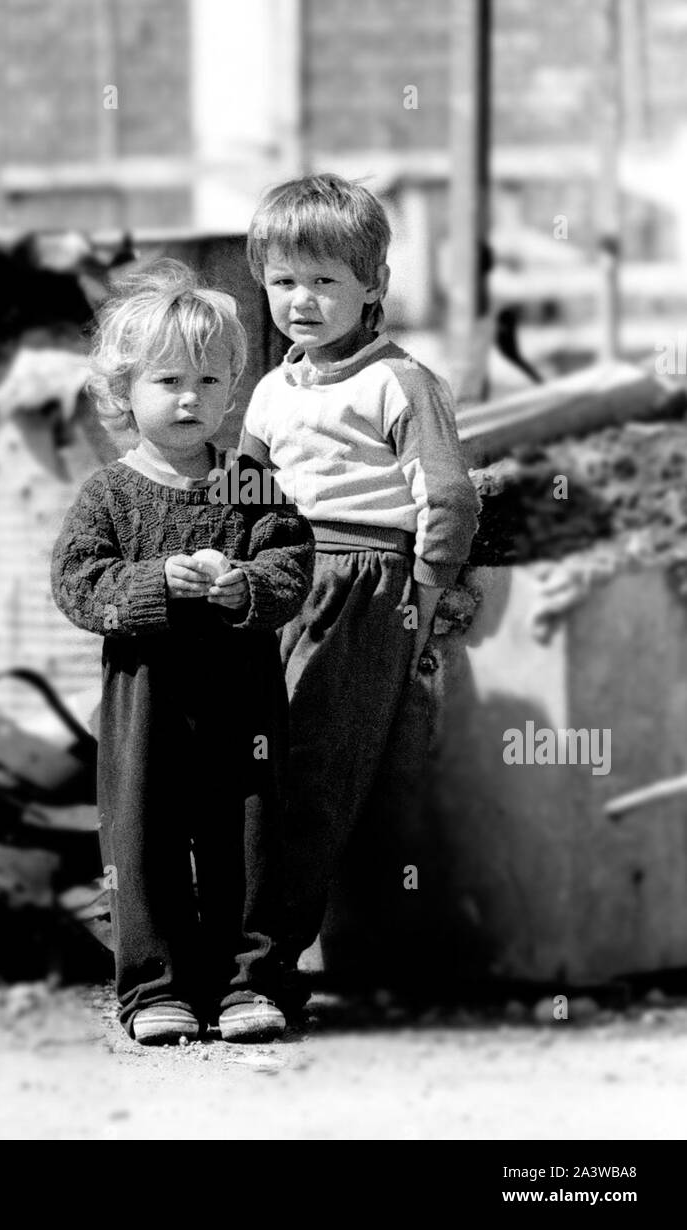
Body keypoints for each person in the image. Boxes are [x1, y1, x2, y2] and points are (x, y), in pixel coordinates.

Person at [50, 261, 314, 1045]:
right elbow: (76, 583)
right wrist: (153, 585)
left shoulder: (249, 485)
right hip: (147, 699)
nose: (191, 397)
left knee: (250, 836)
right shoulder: (108, 494)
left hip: (245, 698)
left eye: (209, 378)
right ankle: (156, 987)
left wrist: (247, 589)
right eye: (168, 379)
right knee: (143, 839)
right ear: (123, 391)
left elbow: (291, 561)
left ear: (234, 388)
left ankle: (249, 983)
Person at [241, 173, 481, 995]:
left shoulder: (400, 382)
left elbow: (445, 497)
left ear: (373, 285)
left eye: (323, 281)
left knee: (316, 771)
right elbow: (248, 491)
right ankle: (228, 941)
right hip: (278, 583)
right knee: (252, 767)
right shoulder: (271, 391)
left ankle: (268, 966)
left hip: (362, 587)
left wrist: (419, 595)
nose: (300, 301)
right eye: (282, 281)